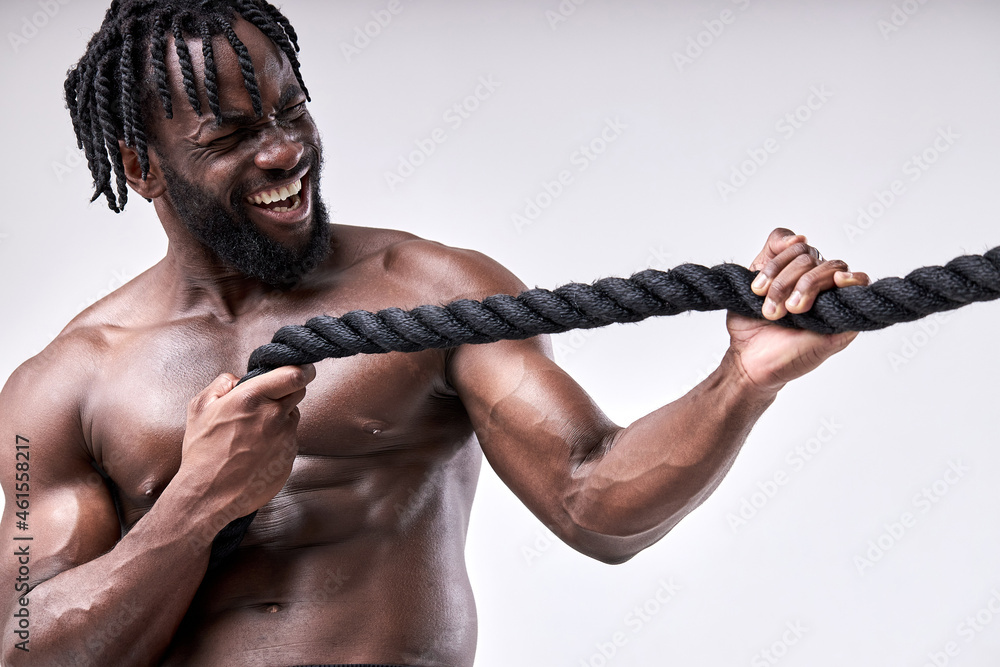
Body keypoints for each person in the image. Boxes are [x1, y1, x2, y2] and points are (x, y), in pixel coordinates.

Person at [0, 1, 870, 665]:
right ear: (142, 166)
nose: (281, 153)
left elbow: (593, 502)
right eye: (230, 135)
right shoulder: (64, 386)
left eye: (291, 111)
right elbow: (26, 642)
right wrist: (194, 508)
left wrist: (741, 380)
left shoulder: (436, 291)